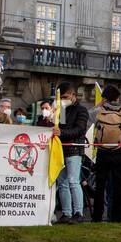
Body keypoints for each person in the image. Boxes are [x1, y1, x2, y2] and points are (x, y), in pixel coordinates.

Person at [90, 85, 121, 222]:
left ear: (105, 98)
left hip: (102, 152)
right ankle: (116, 217)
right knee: (118, 186)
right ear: (118, 97)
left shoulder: (99, 110)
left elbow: (90, 115)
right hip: (119, 151)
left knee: (100, 185)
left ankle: (97, 217)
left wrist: (100, 103)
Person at [51, 82, 90, 223]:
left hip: (74, 150)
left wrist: (61, 132)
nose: (62, 99)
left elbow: (80, 130)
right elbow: (60, 127)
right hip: (61, 150)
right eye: (60, 97)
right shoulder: (61, 110)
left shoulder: (82, 110)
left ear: (73, 95)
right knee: (62, 182)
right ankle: (66, 213)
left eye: (65, 96)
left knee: (74, 181)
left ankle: (78, 212)